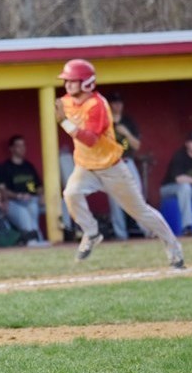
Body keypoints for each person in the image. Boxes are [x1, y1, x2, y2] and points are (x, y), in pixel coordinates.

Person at [55, 58, 183, 267]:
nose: (67, 84)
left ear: (86, 83)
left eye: (72, 80)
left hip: (111, 167)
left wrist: (64, 122)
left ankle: (174, 248)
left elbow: (90, 139)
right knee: (71, 193)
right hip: (85, 166)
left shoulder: (97, 104)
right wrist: (63, 117)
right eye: (67, 80)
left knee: (140, 212)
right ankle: (91, 232)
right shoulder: (66, 101)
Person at [107, 92, 147, 240]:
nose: (117, 106)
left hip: (127, 162)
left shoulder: (128, 121)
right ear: (109, 105)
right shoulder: (104, 121)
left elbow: (136, 145)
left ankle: (144, 229)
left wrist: (126, 133)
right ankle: (120, 234)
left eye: (119, 103)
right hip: (111, 164)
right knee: (115, 199)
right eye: (114, 103)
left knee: (138, 195)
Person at [0, 135, 46, 243]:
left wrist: (41, 195)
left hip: (32, 200)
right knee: (28, 209)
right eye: (18, 146)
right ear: (11, 149)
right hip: (13, 202)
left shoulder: (28, 166)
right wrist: (18, 195)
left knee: (60, 203)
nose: (22, 148)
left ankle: (68, 232)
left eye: (23, 145)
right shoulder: (5, 167)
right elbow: (2, 190)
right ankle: (35, 239)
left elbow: (38, 186)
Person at [159, 130, 192, 236]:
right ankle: (188, 227)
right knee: (185, 187)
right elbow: (179, 179)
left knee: (187, 188)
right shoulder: (180, 155)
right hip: (169, 188)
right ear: (187, 144)